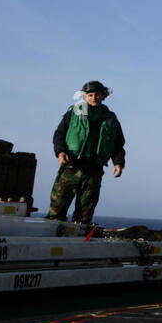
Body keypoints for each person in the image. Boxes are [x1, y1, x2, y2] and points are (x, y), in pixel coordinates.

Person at [46, 80, 126, 224]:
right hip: (71, 166)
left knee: (84, 215)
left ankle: (78, 241)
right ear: (85, 96)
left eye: (97, 95)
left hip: (93, 170)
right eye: (90, 95)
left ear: (103, 96)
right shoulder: (74, 113)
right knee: (57, 209)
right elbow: (59, 134)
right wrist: (60, 152)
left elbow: (118, 144)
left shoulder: (110, 119)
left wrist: (118, 163)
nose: (94, 98)